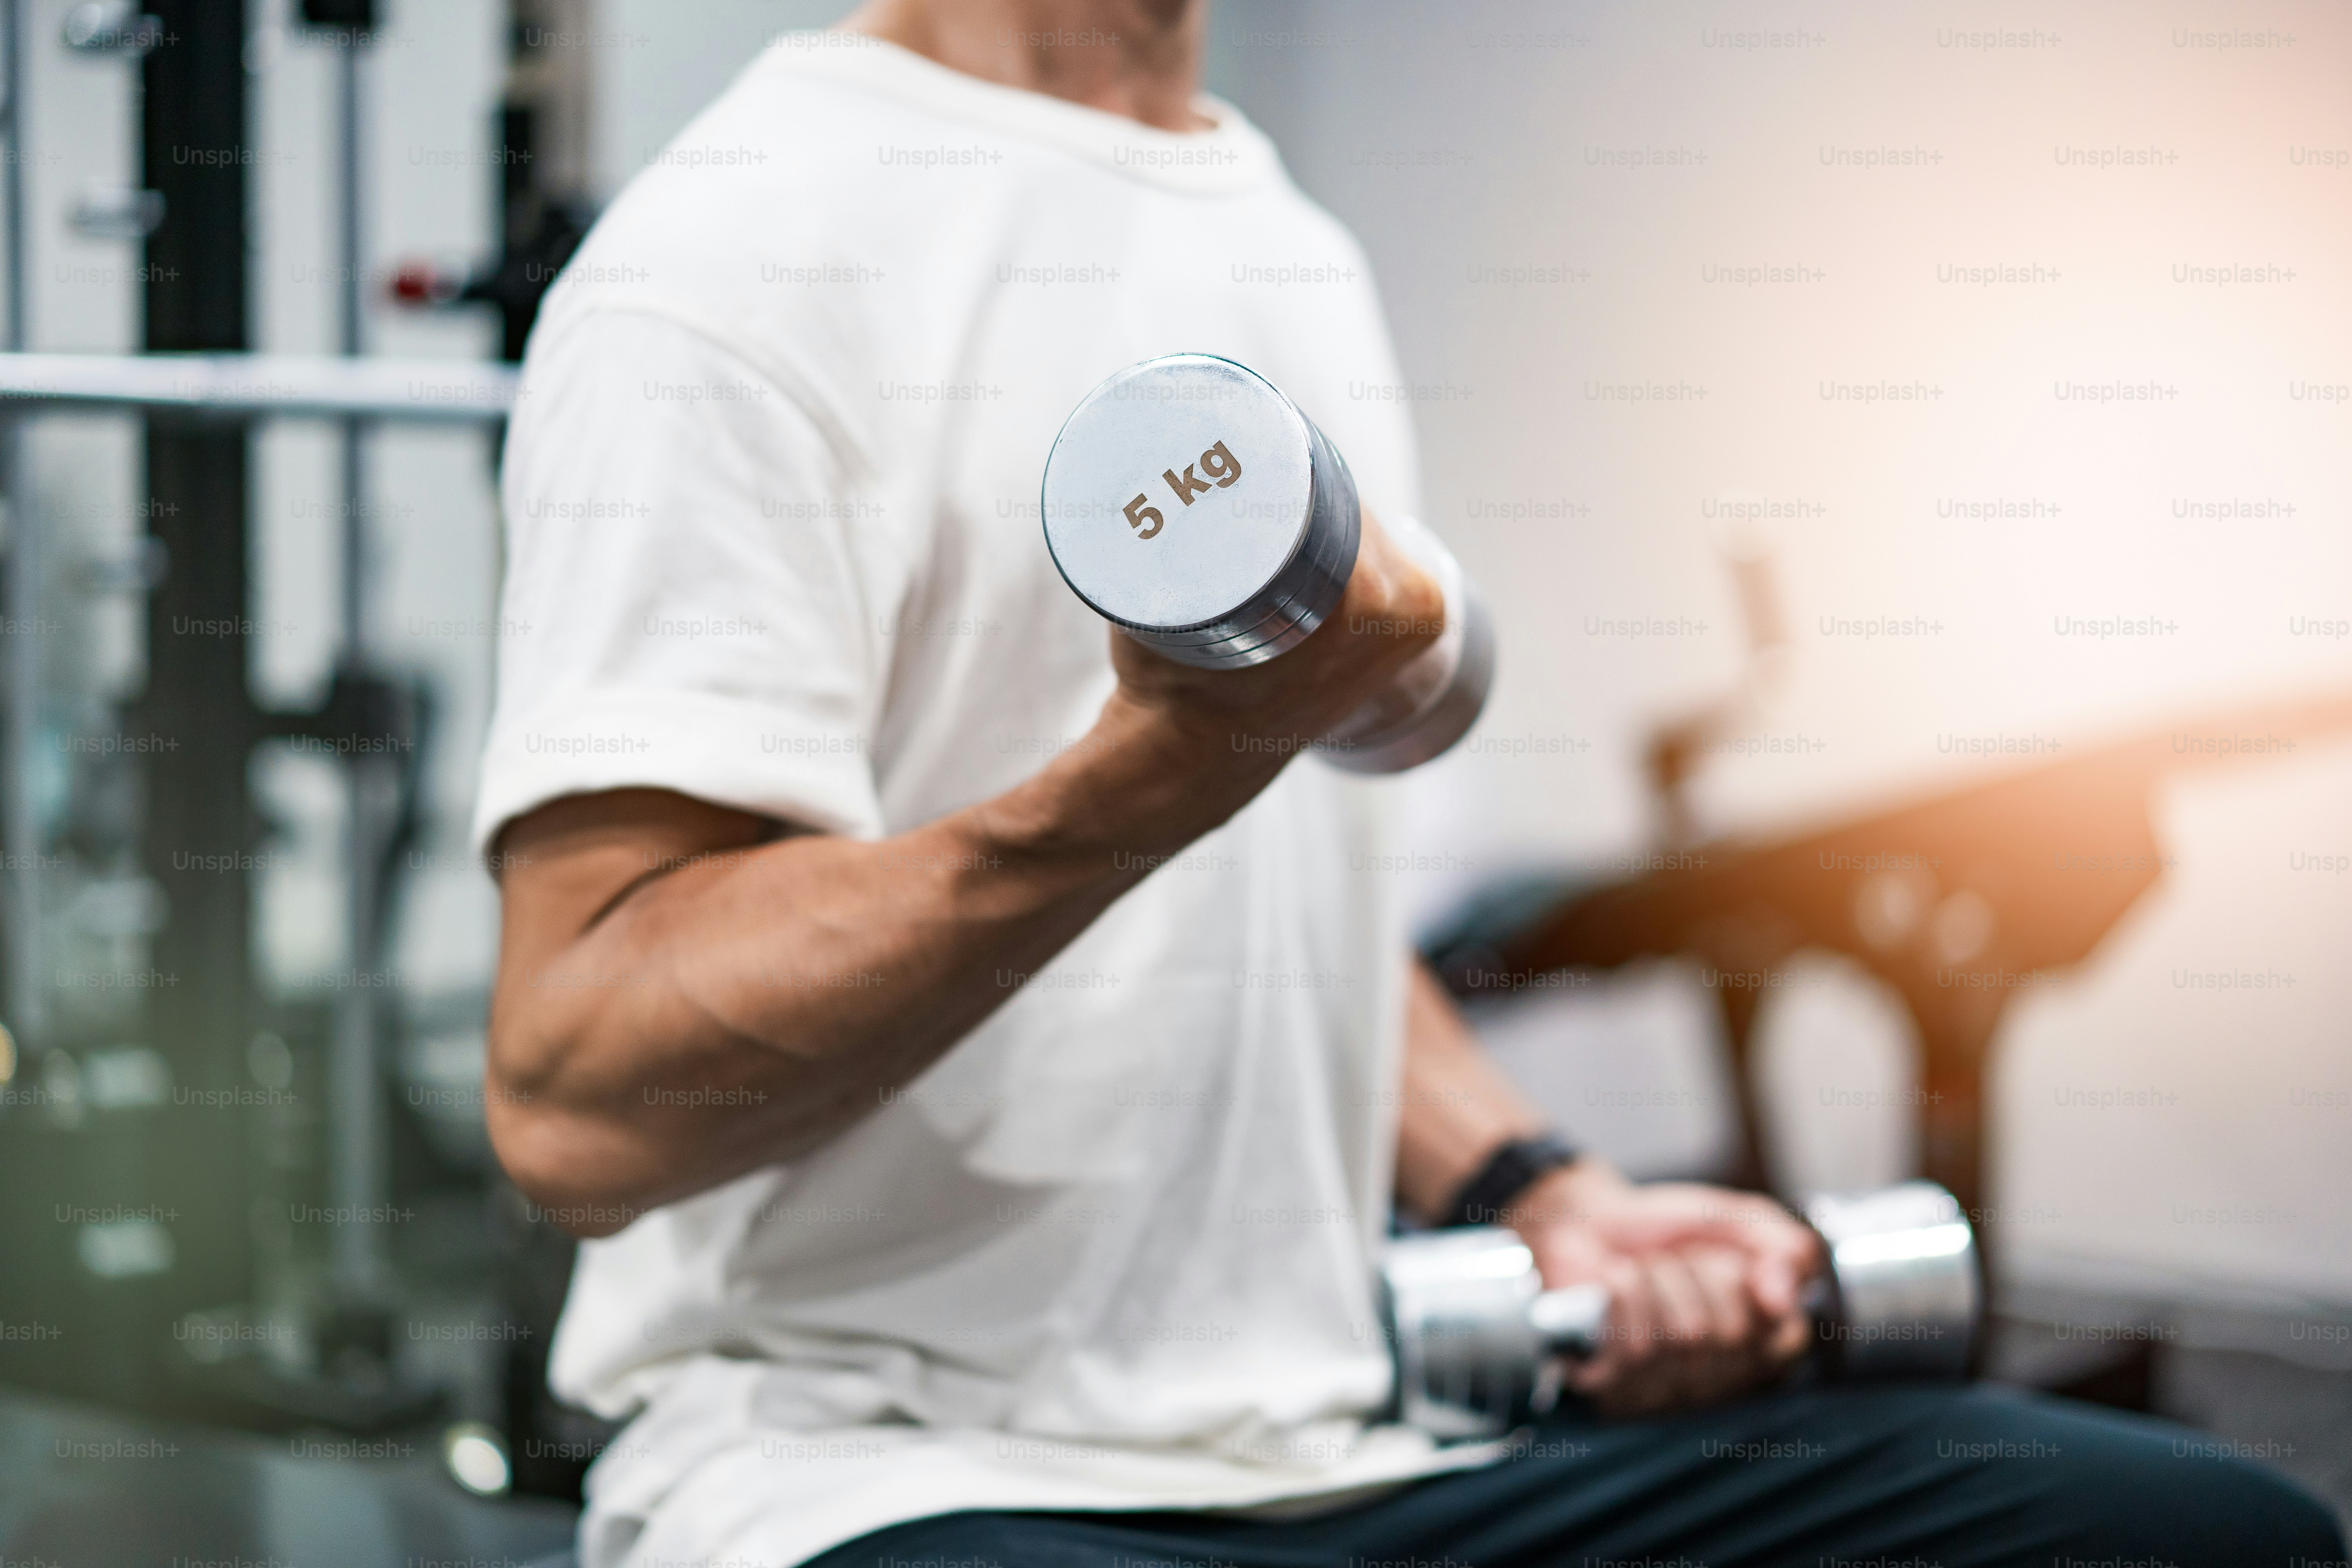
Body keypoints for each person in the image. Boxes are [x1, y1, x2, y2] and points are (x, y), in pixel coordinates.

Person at [474, 3, 2346, 1565]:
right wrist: (1144, 779)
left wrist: (1542, 1191)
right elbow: (580, 1095)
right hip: (890, 1468)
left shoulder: (1270, 222)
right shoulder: (731, 259)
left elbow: (1269, 894)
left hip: (1352, 1426)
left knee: (2194, 1539)